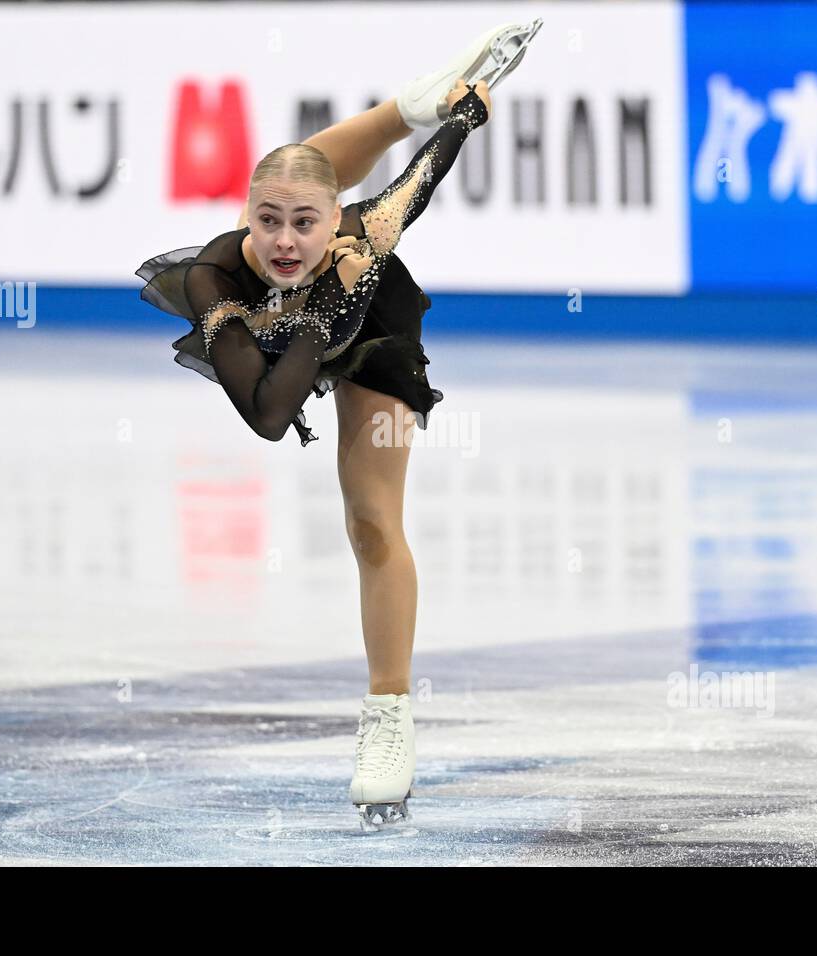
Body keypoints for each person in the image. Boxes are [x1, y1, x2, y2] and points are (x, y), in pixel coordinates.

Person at [135, 20, 542, 830]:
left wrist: (461, 116)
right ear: (245, 217)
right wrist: (322, 308)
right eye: (267, 220)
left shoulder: (368, 239)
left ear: (336, 222)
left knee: (369, 520)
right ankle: (403, 103)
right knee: (299, 181)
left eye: (305, 224)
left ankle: (388, 719)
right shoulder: (219, 275)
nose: (284, 240)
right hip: (296, 332)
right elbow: (268, 413)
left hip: (373, 325)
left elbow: (427, 176)